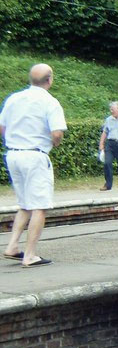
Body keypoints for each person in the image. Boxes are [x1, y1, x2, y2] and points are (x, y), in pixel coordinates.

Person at [0, 64, 66, 268]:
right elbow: (57, 133)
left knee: (25, 204)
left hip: (13, 154)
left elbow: (2, 127)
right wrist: (54, 142)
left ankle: (12, 247)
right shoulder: (50, 102)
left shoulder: (14, 99)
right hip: (35, 155)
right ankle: (29, 255)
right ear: (50, 79)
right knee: (39, 206)